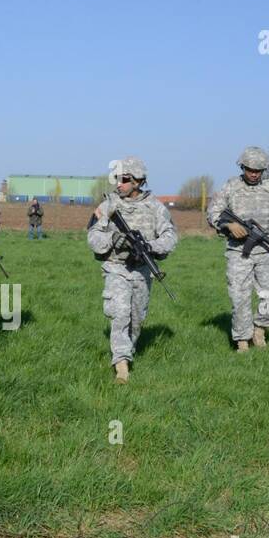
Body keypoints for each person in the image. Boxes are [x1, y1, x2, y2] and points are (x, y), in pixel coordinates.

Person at [86, 156, 178, 383]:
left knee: (136, 319)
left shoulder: (155, 207)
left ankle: (128, 349)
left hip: (142, 271)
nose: (119, 184)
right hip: (116, 268)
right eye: (117, 179)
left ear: (138, 181)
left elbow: (170, 237)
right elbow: (93, 237)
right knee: (120, 313)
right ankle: (121, 364)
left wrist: (150, 247)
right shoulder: (108, 206)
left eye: (125, 179)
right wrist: (113, 239)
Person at [205, 146, 269, 351]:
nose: (254, 174)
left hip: (266, 251)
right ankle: (242, 340)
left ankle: (259, 329)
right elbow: (213, 213)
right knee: (240, 298)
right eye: (250, 169)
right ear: (242, 167)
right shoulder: (231, 187)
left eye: (258, 170)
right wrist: (228, 225)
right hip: (238, 253)